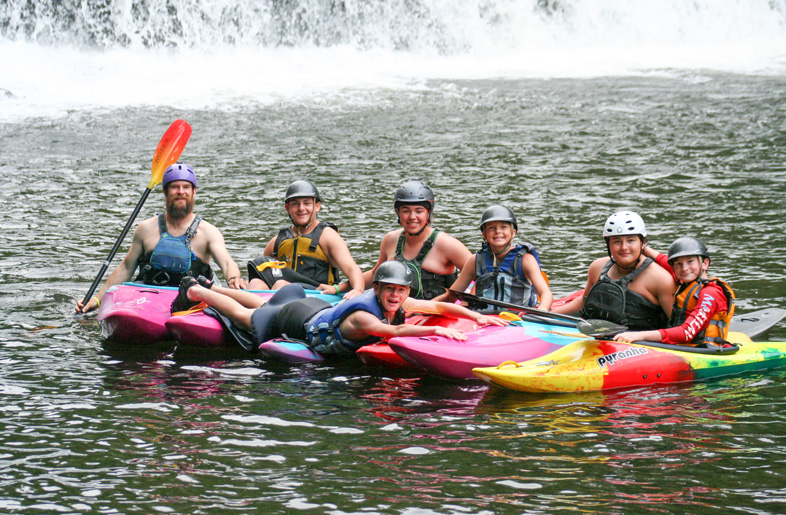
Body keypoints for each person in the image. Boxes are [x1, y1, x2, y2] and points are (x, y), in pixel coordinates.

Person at [174, 261, 509, 355]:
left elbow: (438, 307)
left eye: (400, 291)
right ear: (377, 289)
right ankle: (197, 291)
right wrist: (435, 329)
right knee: (250, 316)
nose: (395, 296)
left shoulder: (398, 300)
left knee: (267, 298)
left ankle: (210, 285)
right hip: (298, 320)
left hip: (317, 307)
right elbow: (391, 331)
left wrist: (476, 315)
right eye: (389, 290)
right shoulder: (365, 314)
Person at [75, 163, 244, 313]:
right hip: (148, 298)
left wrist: (234, 279)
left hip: (190, 301)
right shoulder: (146, 228)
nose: (181, 192)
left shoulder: (208, 231)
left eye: (186, 187)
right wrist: (97, 301)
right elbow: (126, 268)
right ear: (165, 191)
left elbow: (227, 263)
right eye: (174, 187)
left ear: (194, 192)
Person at [345, 180, 471, 300]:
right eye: (406, 211)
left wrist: (468, 302)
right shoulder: (390, 240)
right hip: (398, 307)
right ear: (398, 213)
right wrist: (340, 289)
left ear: (429, 213)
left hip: (436, 310)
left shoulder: (447, 244)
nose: (412, 217)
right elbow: (375, 274)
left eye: (419, 211)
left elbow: (480, 275)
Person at [553, 211, 676, 330]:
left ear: (643, 243)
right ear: (608, 244)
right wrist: (547, 313)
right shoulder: (597, 267)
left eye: (631, 240)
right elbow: (583, 303)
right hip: (601, 337)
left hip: (643, 344)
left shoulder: (660, 279)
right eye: (617, 241)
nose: (624, 247)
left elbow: (676, 326)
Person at [247, 180, 365, 300]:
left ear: (317, 206)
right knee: (256, 283)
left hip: (318, 295)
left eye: (307, 203)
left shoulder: (328, 236)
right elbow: (267, 274)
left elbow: (352, 269)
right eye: (295, 204)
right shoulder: (277, 241)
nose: (301, 208)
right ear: (287, 208)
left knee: (281, 285)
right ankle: (251, 314)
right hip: (283, 295)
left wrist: (358, 290)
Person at [613, 237, 735, 346]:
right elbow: (664, 261)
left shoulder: (711, 293)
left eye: (690, 261)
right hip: (682, 346)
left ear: (705, 264)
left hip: (706, 350)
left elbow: (687, 332)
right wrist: (644, 249)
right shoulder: (684, 279)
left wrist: (639, 335)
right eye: (679, 264)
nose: (685, 268)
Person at [433, 205, 553, 310]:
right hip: (483, 318)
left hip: (517, 319)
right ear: (484, 234)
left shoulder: (525, 260)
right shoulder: (475, 261)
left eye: (504, 227)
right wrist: (423, 307)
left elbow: (545, 293)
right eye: (492, 228)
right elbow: (451, 295)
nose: (498, 232)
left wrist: (542, 309)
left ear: (513, 233)